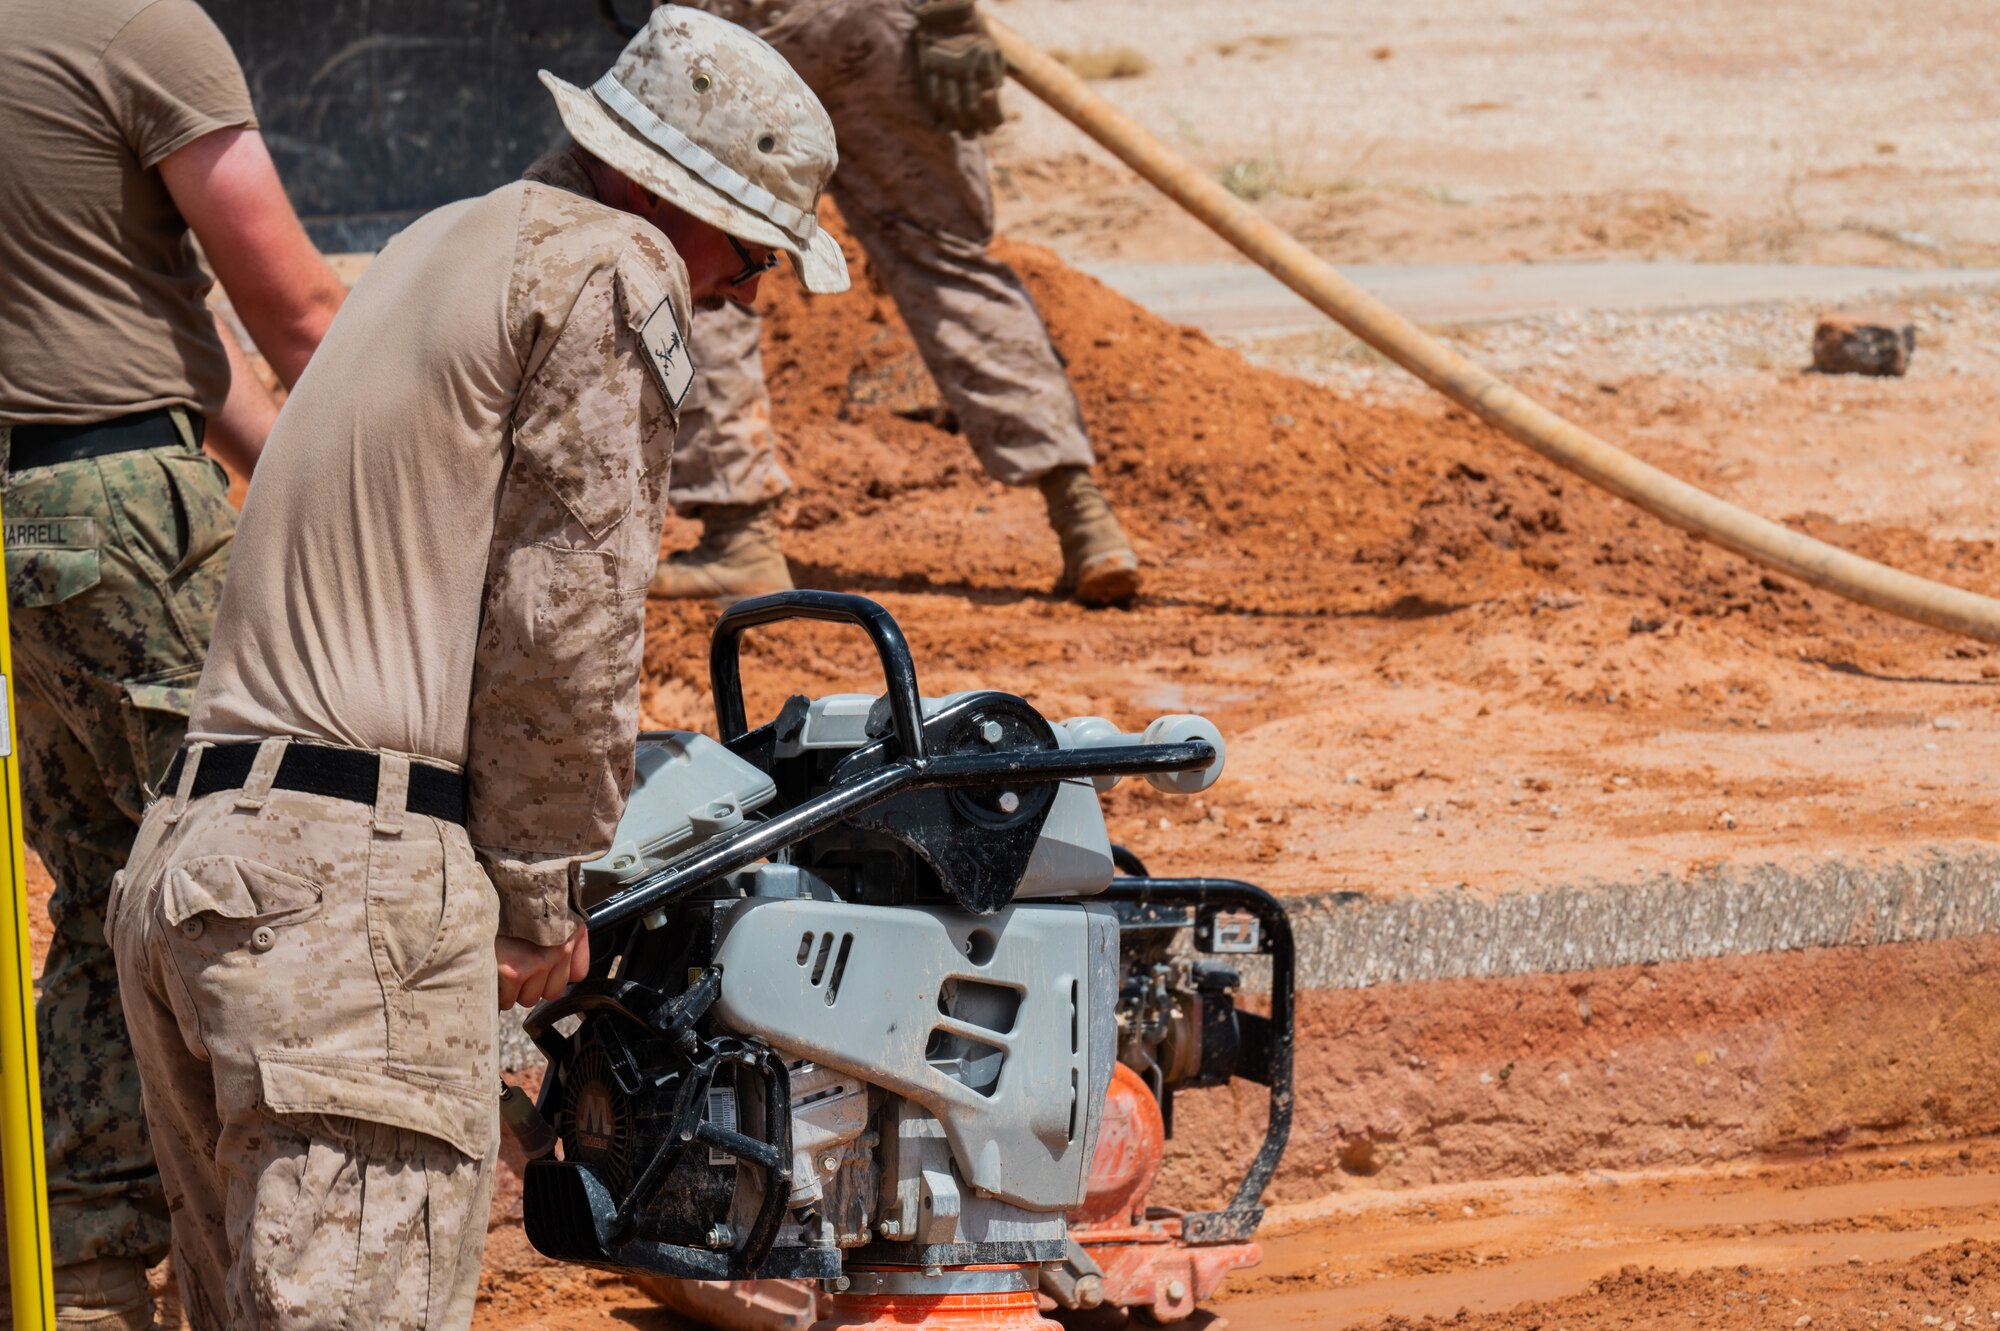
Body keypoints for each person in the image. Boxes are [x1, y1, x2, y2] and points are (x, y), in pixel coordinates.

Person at [105, 10, 846, 1328]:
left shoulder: (435, 240)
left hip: (196, 862)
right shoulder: (615, 265)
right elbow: (566, 609)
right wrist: (539, 886)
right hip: (344, 889)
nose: (746, 288)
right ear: (665, 188)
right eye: (749, 250)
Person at [0, 0, 346, 1323]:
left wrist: (282, 480)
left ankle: (83, 1258)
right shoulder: (139, 24)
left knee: (105, 886)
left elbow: (156, 332)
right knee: (255, 873)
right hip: (119, 508)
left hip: (28, 524)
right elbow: (302, 314)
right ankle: (303, 1254)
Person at [649, 0, 1142, 606]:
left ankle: (739, 538)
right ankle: (1083, 517)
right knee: (944, 258)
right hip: (866, 23)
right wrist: (950, 16)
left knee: (706, 261)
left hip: (725, 33)